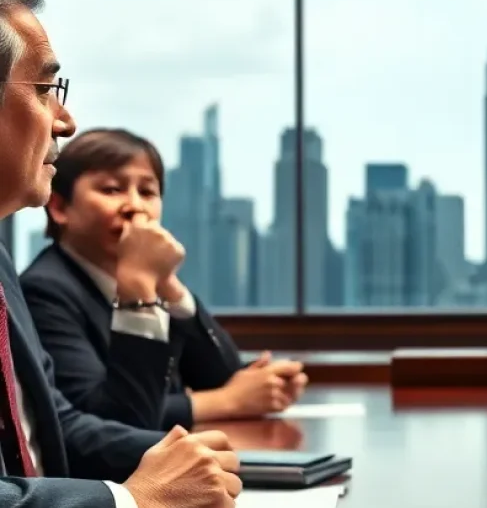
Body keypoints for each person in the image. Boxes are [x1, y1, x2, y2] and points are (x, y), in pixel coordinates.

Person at [0, 0, 241, 508]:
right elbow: (116, 412)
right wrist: (136, 503)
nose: (65, 120)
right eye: (45, 88)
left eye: (148, 190)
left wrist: (188, 463)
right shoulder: (48, 285)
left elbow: (53, 426)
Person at [19, 127, 308, 432]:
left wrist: (169, 285)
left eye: (147, 192)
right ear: (61, 208)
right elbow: (109, 418)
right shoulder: (46, 290)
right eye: (111, 190)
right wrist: (227, 401)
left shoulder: (142, 278)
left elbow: (222, 377)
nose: (135, 206)